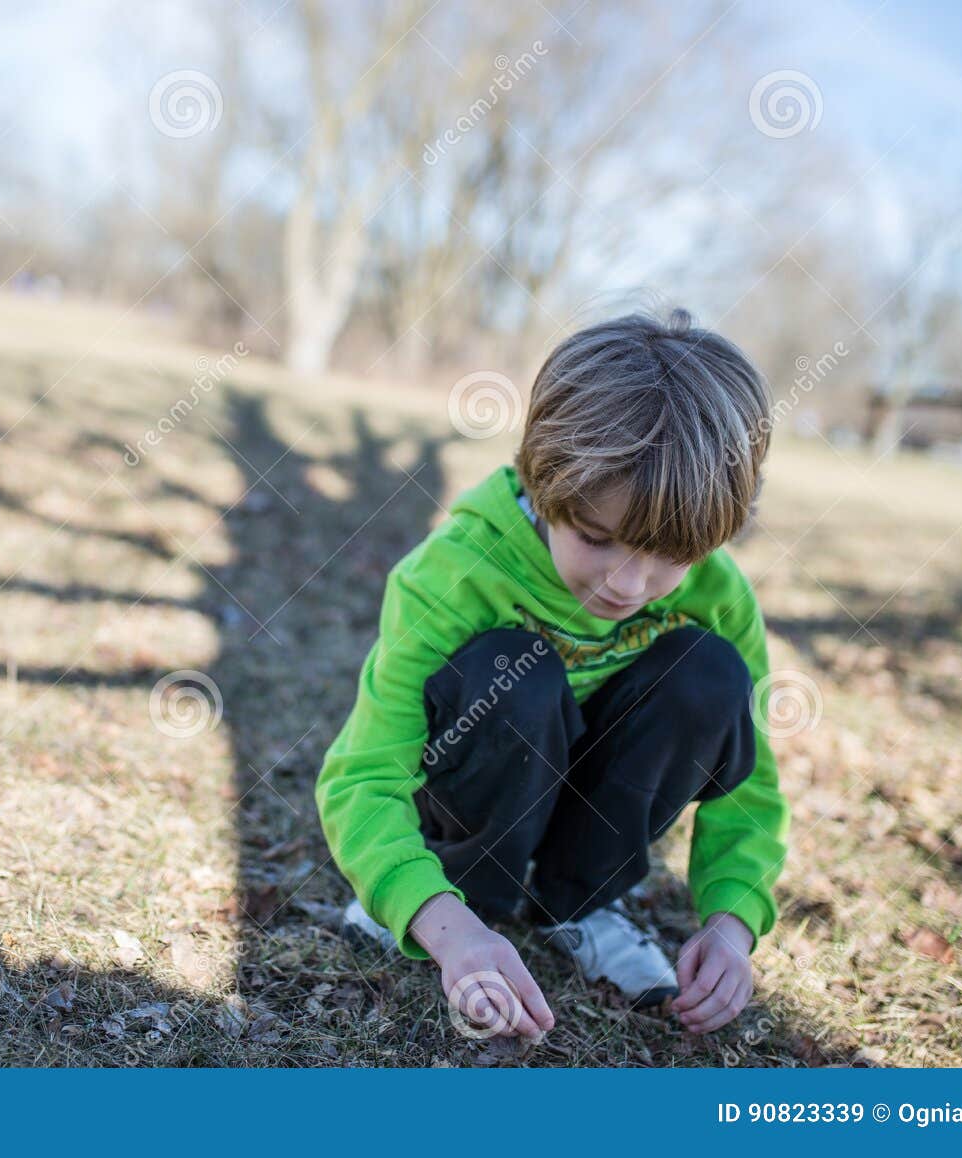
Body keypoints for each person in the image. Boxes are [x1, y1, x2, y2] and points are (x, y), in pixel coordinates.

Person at [315, 310, 790, 1039]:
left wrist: (732, 921)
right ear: (543, 482)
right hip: (472, 795)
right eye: (597, 540)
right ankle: (456, 903)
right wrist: (444, 927)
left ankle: (579, 903)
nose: (628, 585)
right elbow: (362, 778)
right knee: (514, 674)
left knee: (710, 674)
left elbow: (747, 785)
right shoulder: (454, 574)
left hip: (588, 806)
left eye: (671, 557)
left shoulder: (717, 597)